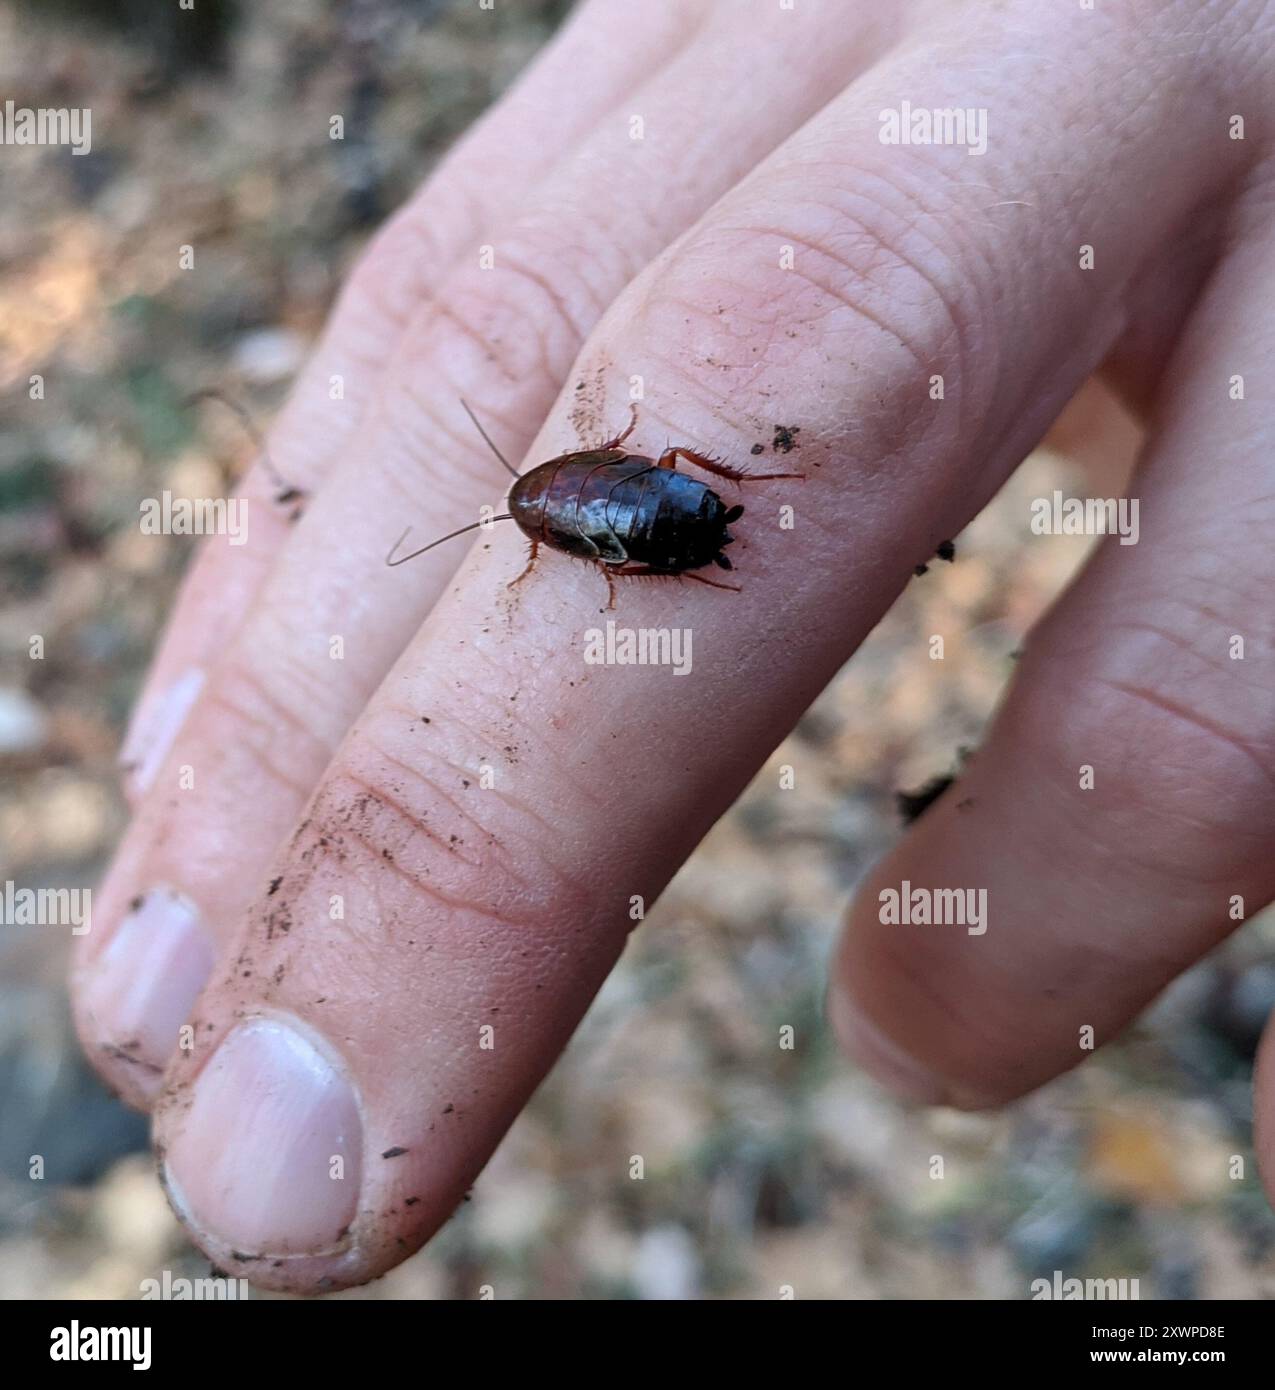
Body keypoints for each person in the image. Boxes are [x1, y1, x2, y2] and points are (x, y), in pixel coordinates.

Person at [72, 0, 1275, 1292]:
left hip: (659, 509)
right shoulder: (548, 510)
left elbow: (625, 485)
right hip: (652, 512)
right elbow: (617, 491)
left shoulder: (551, 512)